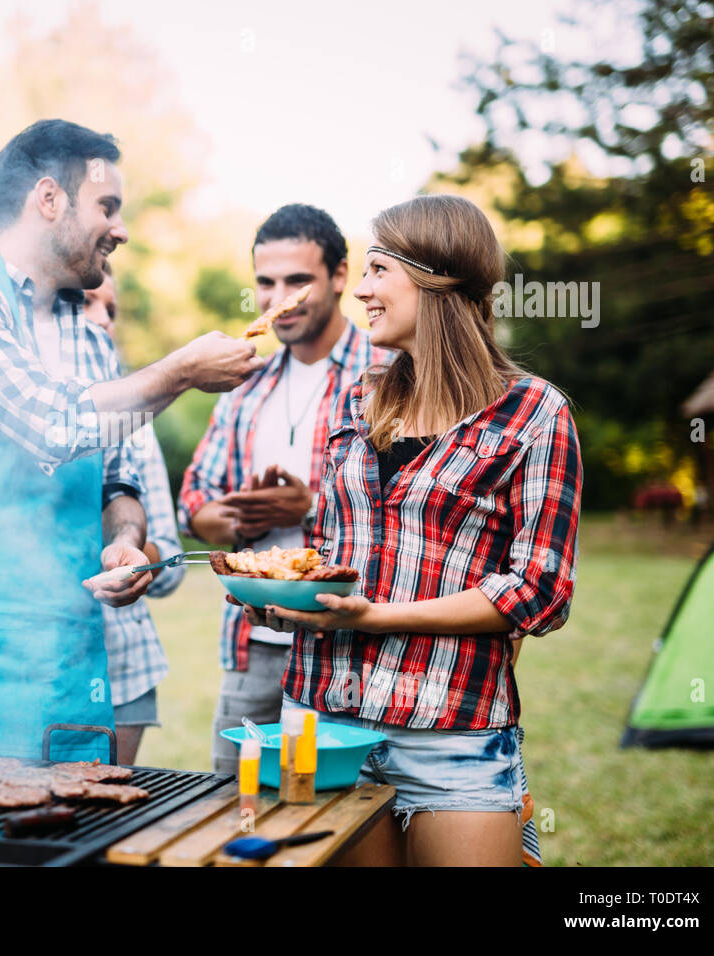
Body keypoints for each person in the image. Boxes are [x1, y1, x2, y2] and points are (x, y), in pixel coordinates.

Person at [0, 119, 264, 769]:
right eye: (107, 207)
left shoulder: (89, 339)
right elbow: (46, 422)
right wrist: (183, 370)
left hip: (67, 669)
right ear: (48, 200)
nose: (122, 229)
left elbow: (118, 476)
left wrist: (126, 537)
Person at [235, 194, 582, 866]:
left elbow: (540, 592)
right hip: (324, 724)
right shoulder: (355, 398)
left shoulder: (534, 414)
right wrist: (282, 591)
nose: (360, 289)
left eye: (378, 270)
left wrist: (377, 618)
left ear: (434, 277)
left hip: (449, 731)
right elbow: (338, 556)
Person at [178, 204, 385, 773]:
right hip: (253, 645)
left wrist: (312, 507)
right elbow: (194, 502)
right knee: (233, 804)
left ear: (341, 276)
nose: (279, 299)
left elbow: (413, 511)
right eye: (265, 283)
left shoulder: (390, 371)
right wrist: (243, 522)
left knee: (341, 816)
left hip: (350, 642)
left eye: (298, 281)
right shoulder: (246, 386)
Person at [82, 262, 184, 765]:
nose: (103, 320)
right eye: (86, 303)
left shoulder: (134, 424)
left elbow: (171, 567)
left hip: (122, 675)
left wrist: (133, 557)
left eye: (112, 309)